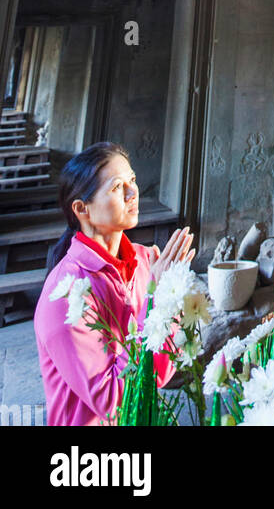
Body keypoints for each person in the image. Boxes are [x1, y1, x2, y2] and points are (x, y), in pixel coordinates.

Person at [34, 142, 195, 426]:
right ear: (82, 209)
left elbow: (159, 371)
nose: (134, 193)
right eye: (117, 187)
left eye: (132, 180)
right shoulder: (64, 294)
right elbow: (114, 399)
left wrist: (170, 300)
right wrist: (157, 303)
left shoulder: (146, 262)